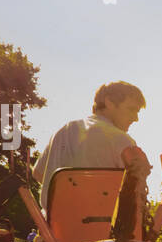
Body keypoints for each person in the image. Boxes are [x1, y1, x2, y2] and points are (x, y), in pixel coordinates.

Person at [32, 81, 146, 211]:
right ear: (109, 102)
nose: (136, 118)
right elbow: (136, 192)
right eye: (131, 109)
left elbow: (38, 173)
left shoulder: (63, 131)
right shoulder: (122, 140)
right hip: (101, 226)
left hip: (53, 227)